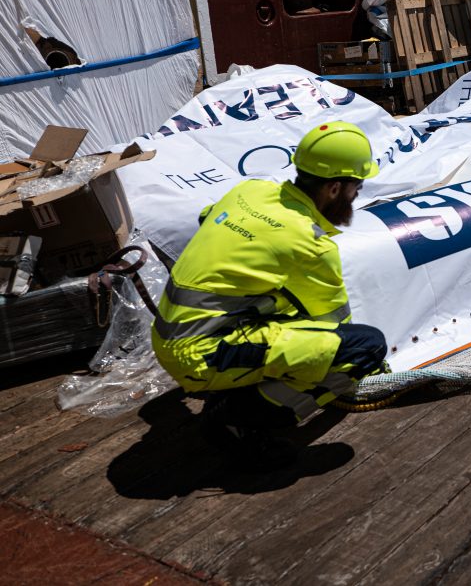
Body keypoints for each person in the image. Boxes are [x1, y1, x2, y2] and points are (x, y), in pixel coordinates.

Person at [151, 121, 388, 469]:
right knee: (362, 350)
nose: (357, 195)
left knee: (285, 309)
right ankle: (235, 419)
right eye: (357, 186)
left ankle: (235, 389)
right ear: (335, 188)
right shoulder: (309, 243)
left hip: (169, 333)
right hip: (201, 356)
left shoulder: (251, 191)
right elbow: (333, 328)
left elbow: (207, 219)